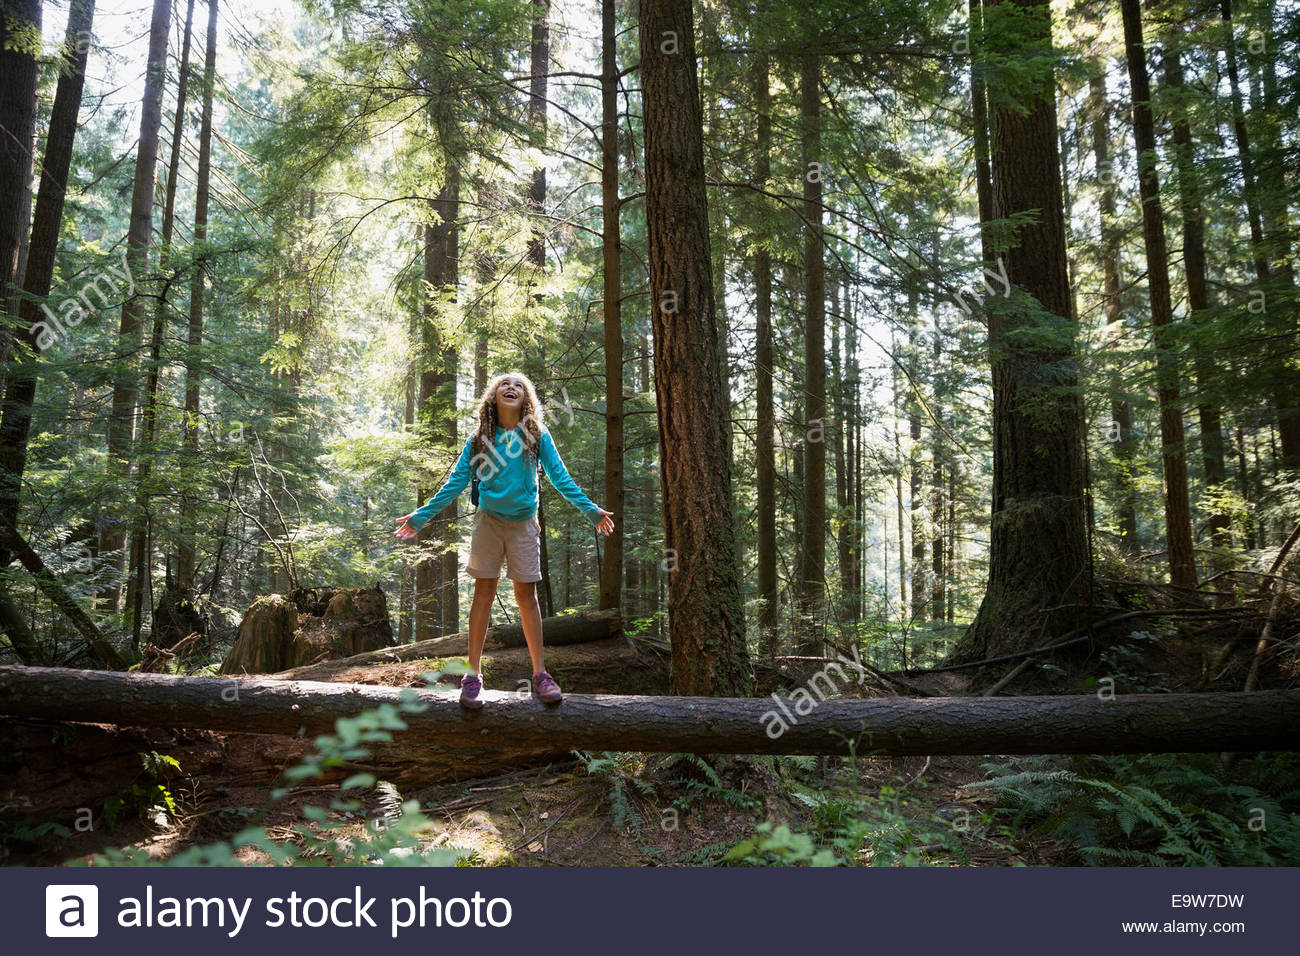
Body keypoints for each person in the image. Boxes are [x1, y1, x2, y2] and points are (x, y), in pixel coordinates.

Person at [395, 372, 614, 708]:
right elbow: (455, 484)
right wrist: (421, 515)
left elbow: (560, 478)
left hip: (524, 526)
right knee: (483, 593)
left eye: (519, 386)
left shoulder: (537, 436)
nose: (511, 388)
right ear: (492, 397)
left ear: (526, 399)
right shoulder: (480, 440)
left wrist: (591, 511)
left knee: (527, 596)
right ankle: (472, 675)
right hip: (488, 524)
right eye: (504, 384)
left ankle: (540, 673)